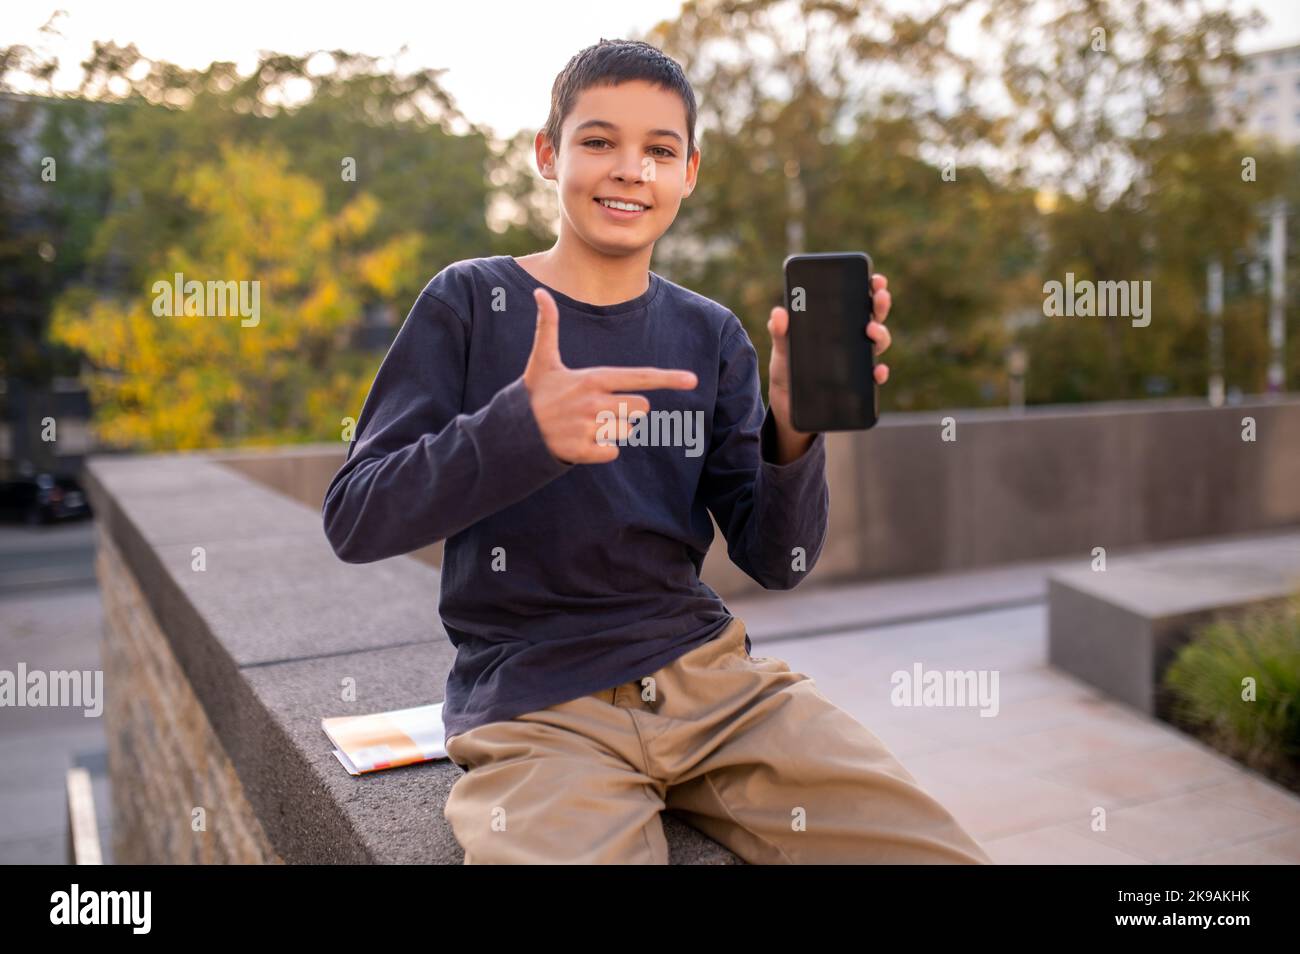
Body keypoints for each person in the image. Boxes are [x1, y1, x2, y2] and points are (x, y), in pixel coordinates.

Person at [322, 37, 991, 865]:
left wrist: (791, 425)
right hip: (538, 706)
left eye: (659, 150)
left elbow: (777, 558)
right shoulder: (470, 300)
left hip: (717, 688)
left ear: (689, 173)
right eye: (598, 141)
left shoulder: (710, 334)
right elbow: (356, 518)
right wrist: (518, 432)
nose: (630, 169)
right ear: (547, 153)